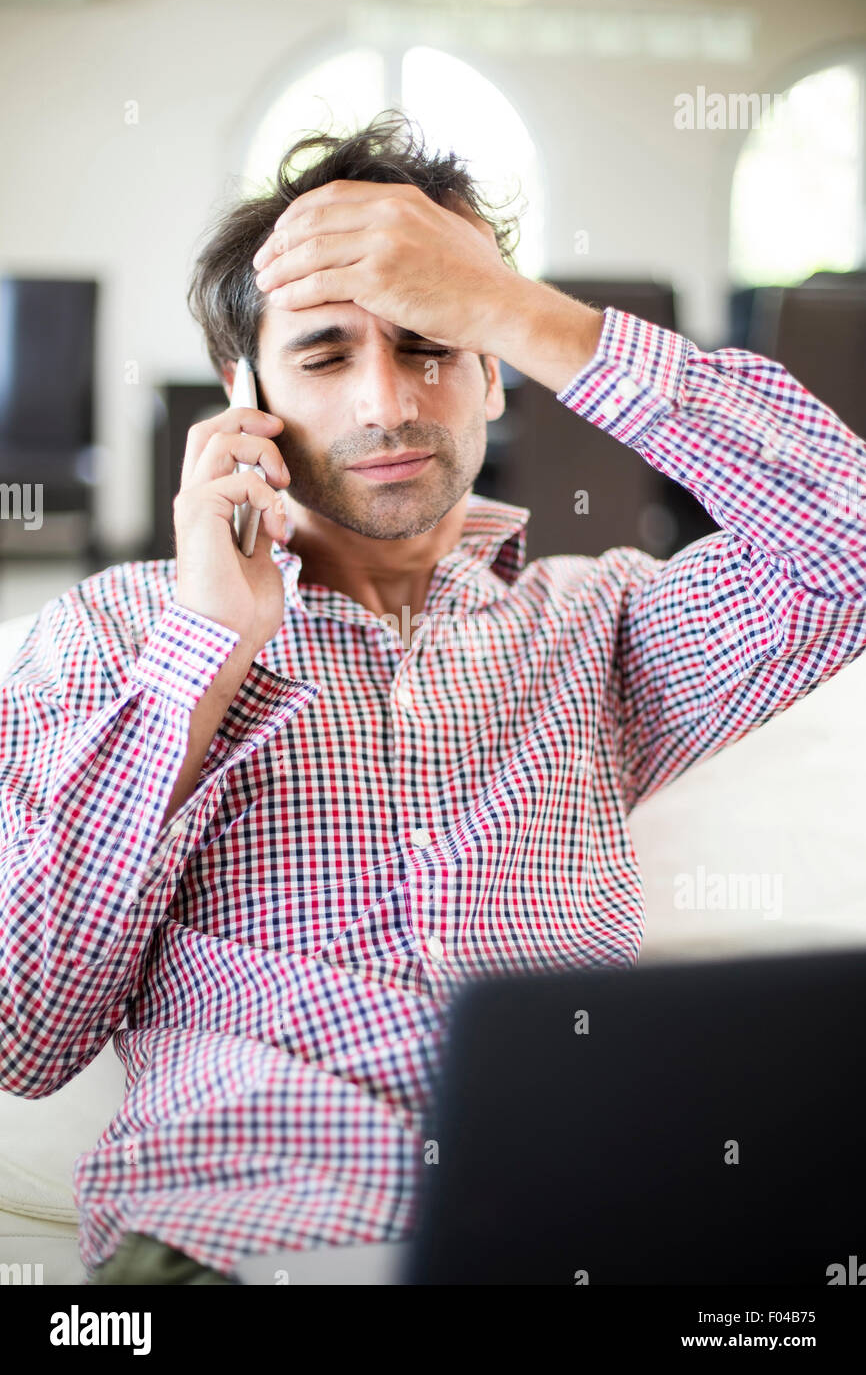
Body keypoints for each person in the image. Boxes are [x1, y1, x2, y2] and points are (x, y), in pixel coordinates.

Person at [1, 111, 864, 1285]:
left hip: (589, 1224)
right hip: (253, 1239)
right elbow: (27, 1028)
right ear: (238, 389)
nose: (385, 403)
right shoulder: (112, 636)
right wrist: (201, 657)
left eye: (430, 344)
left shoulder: (600, 624)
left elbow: (846, 541)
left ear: (492, 371)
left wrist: (520, 305)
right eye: (321, 357)